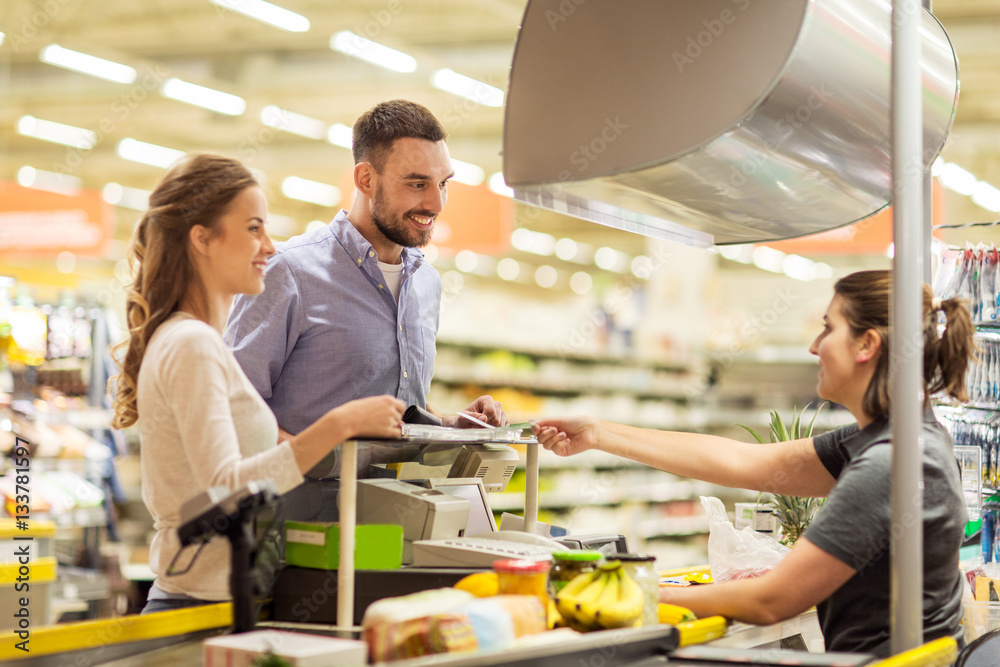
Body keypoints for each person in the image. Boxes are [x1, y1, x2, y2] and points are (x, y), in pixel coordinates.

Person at [534, 270, 974, 658]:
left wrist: (633, 591)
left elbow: (771, 601)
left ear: (867, 344)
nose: (814, 346)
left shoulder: (889, 463)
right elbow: (746, 461)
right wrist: (598, 433)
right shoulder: (896, 440)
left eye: (828, 328)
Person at [110, 154, 405, 613]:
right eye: (253, 228)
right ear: (202, 238)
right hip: (198, 607)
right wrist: (339, 425)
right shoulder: (191, 343)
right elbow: (226, 491)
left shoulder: (192, 340)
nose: (270, 246)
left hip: (219, 599)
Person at [226, 100, 507, 516]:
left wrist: (449, 423)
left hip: (398, 523)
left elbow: (395, 395)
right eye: (417, 184)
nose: (436, 203)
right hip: (295, 532)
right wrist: (316, 463)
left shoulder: (426, 283)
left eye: (443, 183)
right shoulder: (290, 271)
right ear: (365, 179)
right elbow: (235, 411)